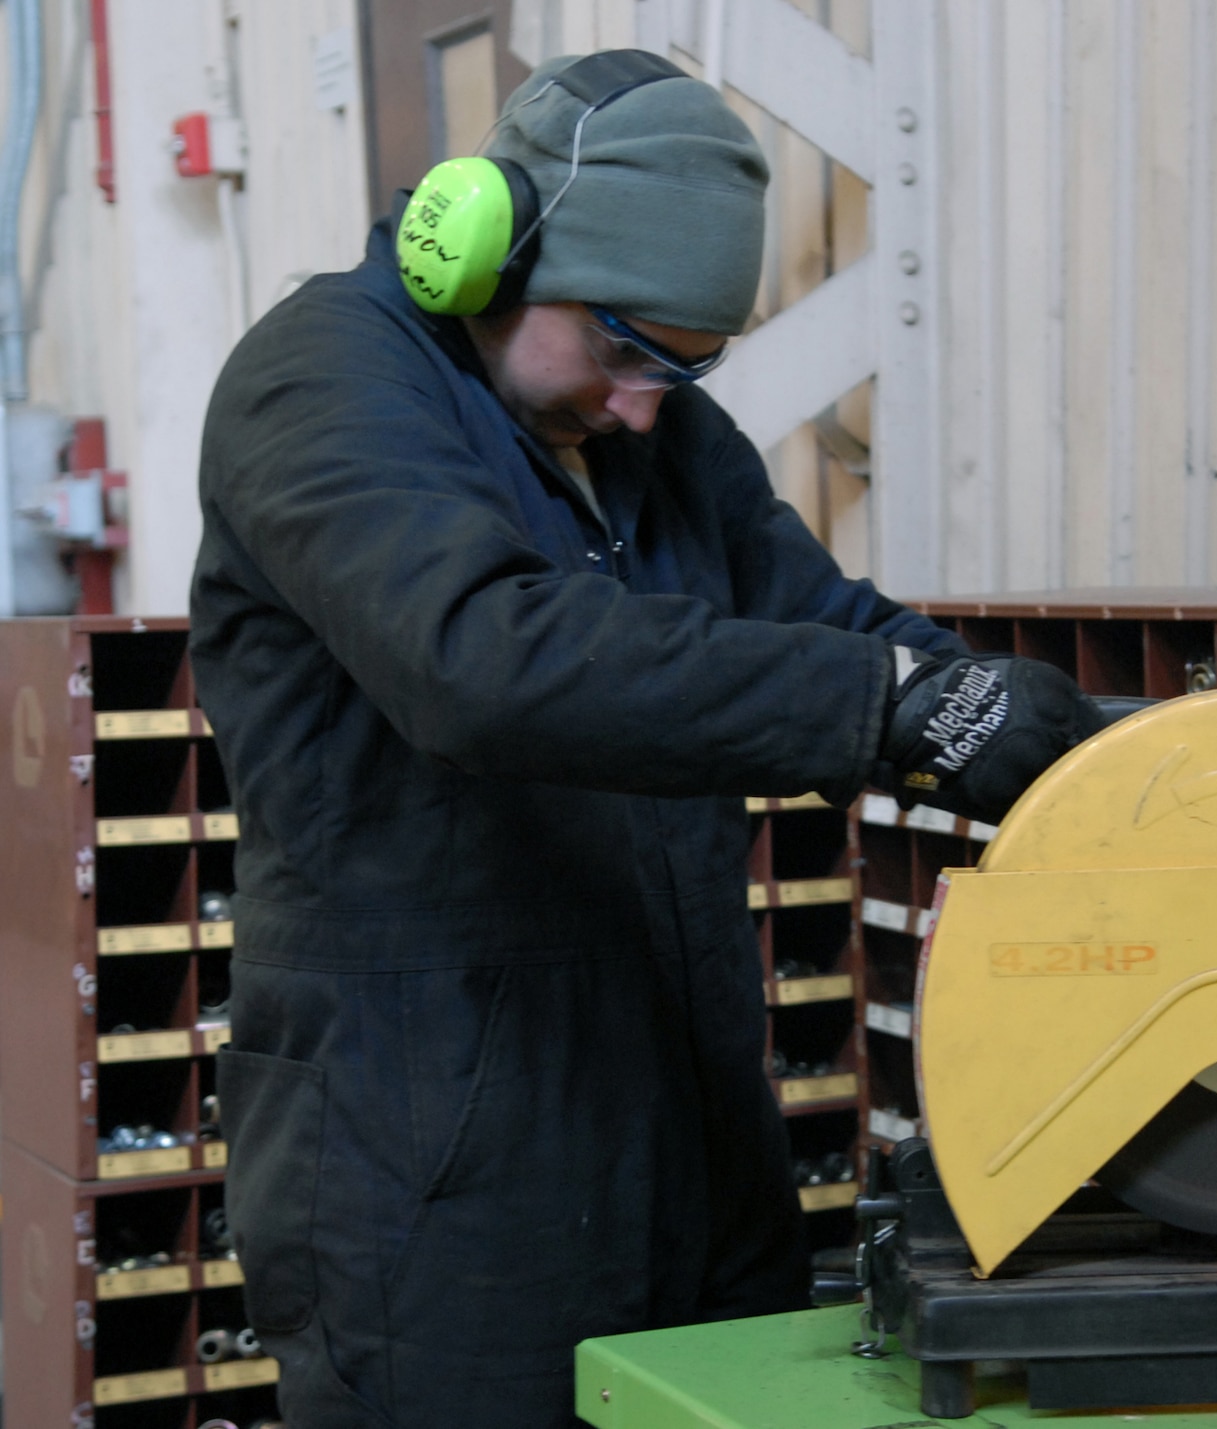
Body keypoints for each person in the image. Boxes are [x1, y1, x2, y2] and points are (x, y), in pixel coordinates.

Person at [189, 51, 1101, 1428]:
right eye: (621, 348)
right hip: (433, 1178)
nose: (640, 404)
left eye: (682, 367)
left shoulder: (650, 429)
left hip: (692, 1136)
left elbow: (827, 619)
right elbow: (486, 664)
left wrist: (1033, 733)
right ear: (488, 249)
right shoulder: (317, 383)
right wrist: (883, 707)